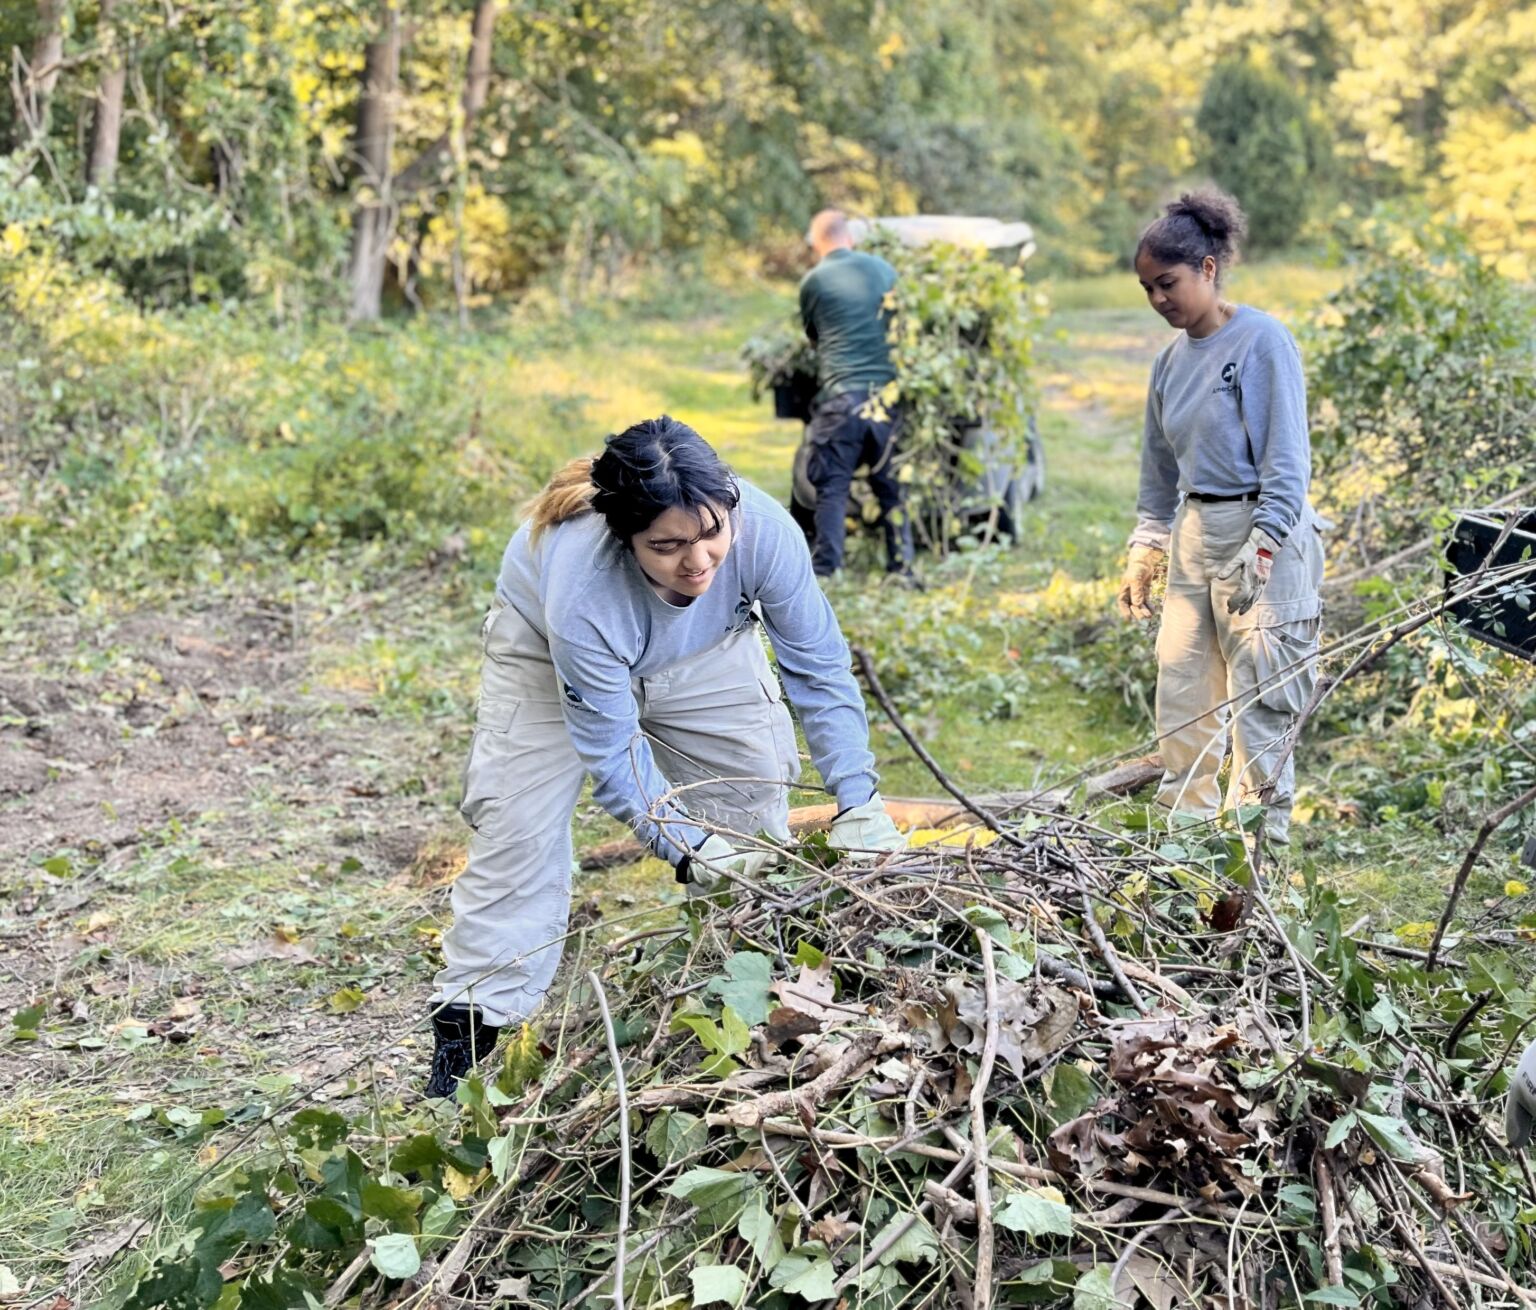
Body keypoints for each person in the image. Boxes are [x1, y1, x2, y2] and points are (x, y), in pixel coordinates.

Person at [426, 416, 908, 1097]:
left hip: (705, 652)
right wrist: (683, 845)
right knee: (518, 834)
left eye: (712, 535)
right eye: (669, 547)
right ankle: (464, 1057)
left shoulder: (764, 532)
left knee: (748, 816)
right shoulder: (584, 588)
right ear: (626, 540)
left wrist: (859, 797)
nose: (699, 562)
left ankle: (742, 1016)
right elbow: (611, 746)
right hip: (548, 656)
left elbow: (819, 667)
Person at [1117, 189, 1324, 844]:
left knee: (1264, 703)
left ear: (1209, 268)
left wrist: (1262, 548)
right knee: (1182, 699)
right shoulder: (1169, 363)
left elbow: (1287, 463)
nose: (1158, 300)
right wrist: (1145, 548)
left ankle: (1254, 869)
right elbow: (1158, 473)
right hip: (1195, 537)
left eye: (1168, 283)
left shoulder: (1262, 341)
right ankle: (1187, 858)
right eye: (1147, 288)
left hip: (1265, 536)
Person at [798, 208, 914, 580]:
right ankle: (902, 567)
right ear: (850, 237)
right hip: (886, 399)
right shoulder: (884, 270)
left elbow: (815, 339)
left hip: (841, 399)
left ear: (817, 244)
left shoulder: (814, 281)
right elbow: (902, 327)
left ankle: (828, 569)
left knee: (832, 485)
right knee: (891, 487)